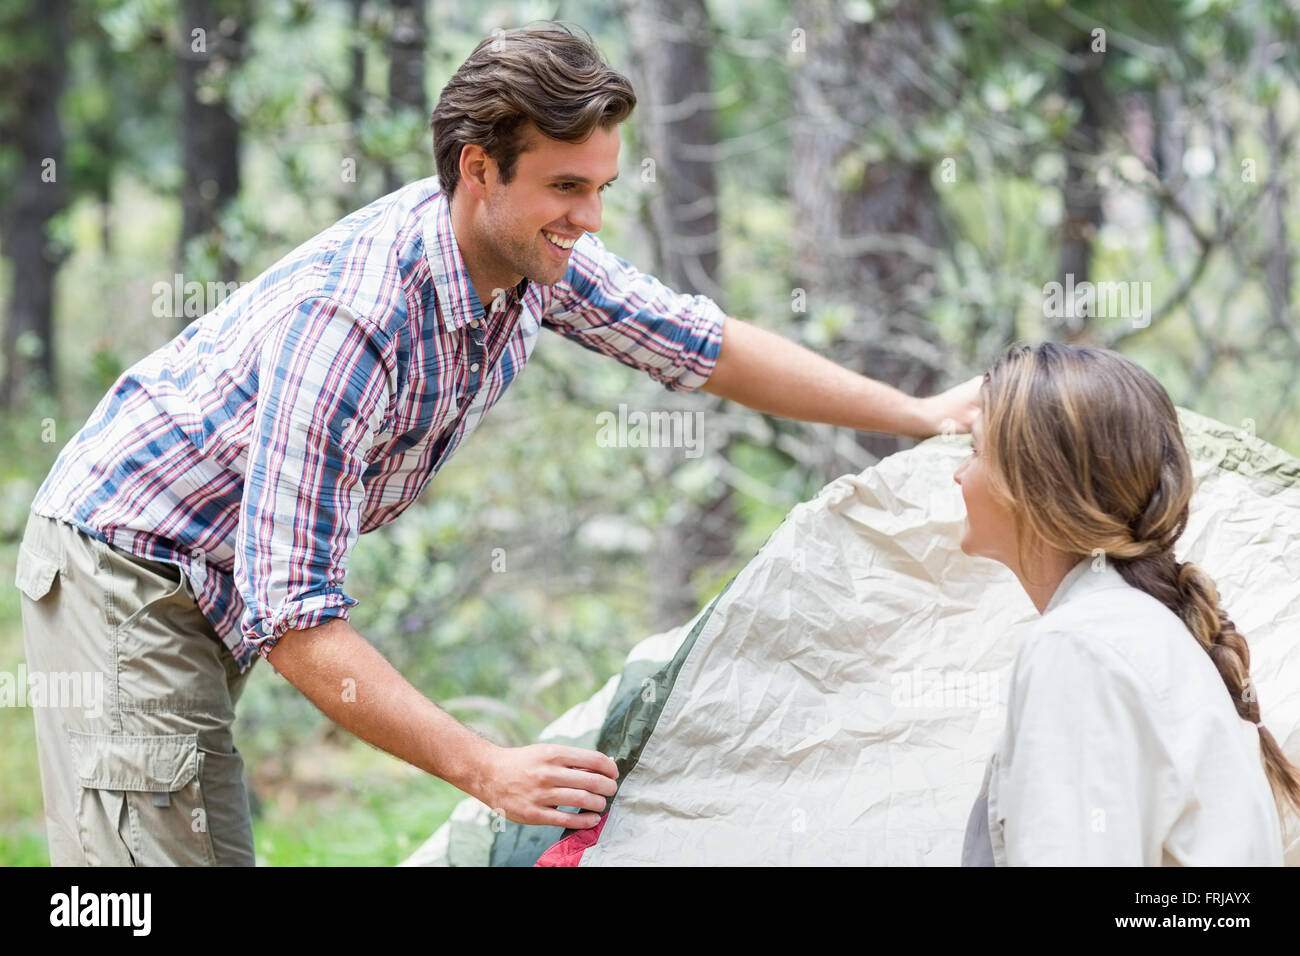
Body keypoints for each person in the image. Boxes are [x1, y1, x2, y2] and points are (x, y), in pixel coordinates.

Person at [15, 22, 981, 866]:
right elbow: (300, 622)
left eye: (601, 186)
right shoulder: (351, 326)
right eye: (567, 187)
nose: (591, 218)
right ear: (478, 168)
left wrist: (922, 413)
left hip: (216, 577)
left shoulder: (538, 257)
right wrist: (487, 769)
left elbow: (704, 346)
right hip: (126, 569)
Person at [953, 342, 1299, 865]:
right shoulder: (1133, 633)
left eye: (975, 450)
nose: (959, 473)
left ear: (1030, 483)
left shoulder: (1079, 648)